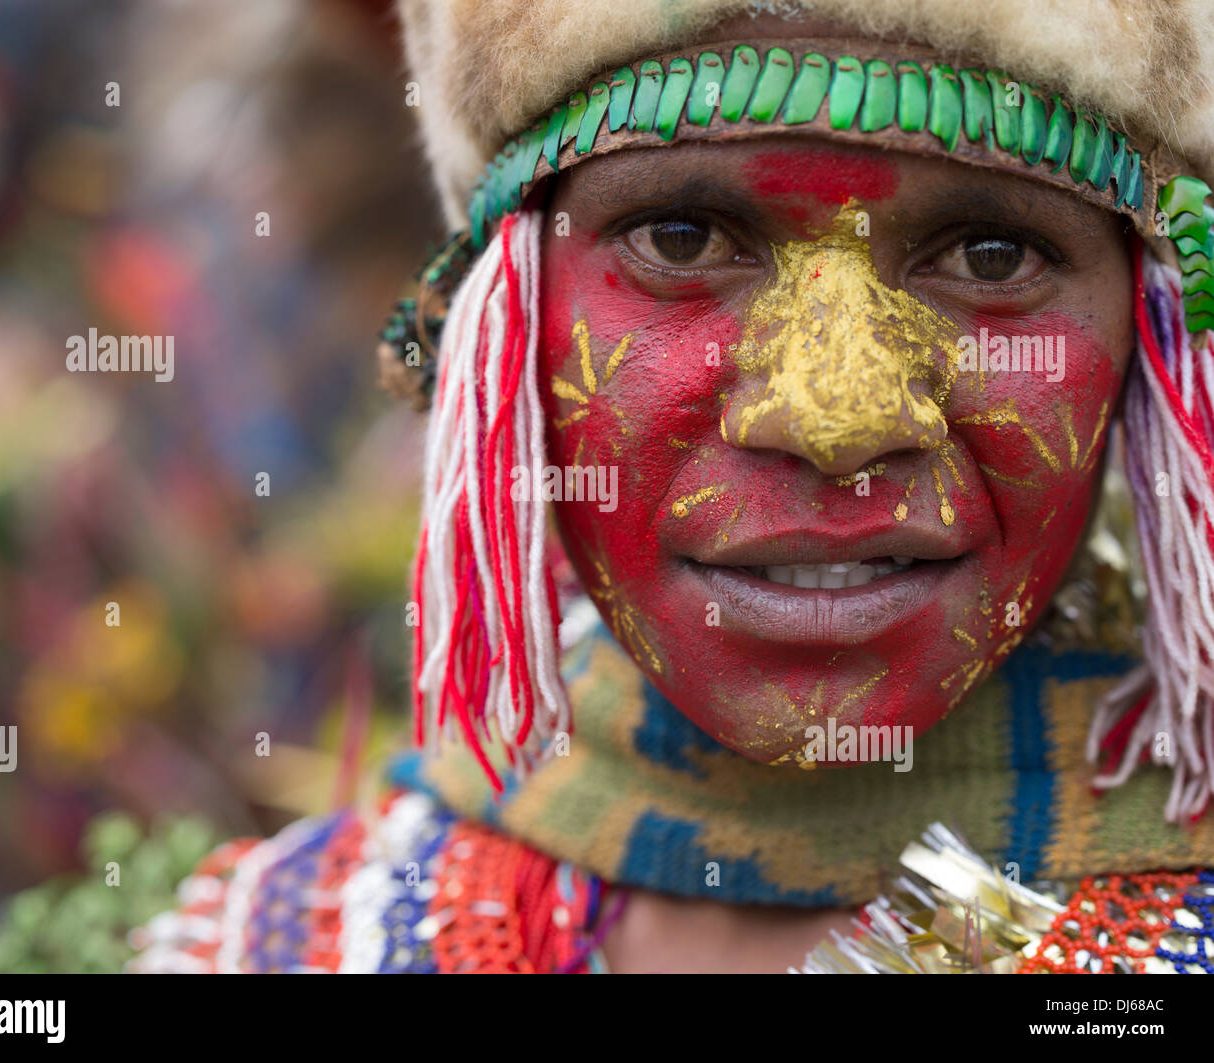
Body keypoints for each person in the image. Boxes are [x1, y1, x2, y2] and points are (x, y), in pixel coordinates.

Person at [130, 0, 1214, 973]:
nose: (831, 419)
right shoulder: (285, 942)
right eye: (683, 238)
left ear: (1154, 337)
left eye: (988, 255)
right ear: (491, 316)